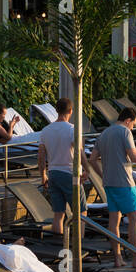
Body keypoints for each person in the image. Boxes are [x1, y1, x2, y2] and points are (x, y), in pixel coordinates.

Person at [87, 108, 136, 269]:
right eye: (133, 125)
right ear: (128, 120)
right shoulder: (125, 132)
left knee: (114, 220)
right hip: (124, 182)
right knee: (135, 218)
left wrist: (103, 175)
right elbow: (134, 158)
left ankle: (118, 258)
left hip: (109, 182)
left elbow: (92, 159)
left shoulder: (104, 133)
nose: (132, 128)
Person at [37, 97, 89, 237]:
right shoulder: (72, 129)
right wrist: (87, 170)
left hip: (53, 174)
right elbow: (79, 151)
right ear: (71, 111)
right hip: (70, 174)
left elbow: (41, 156)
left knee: (58, 214)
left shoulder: (45, 131)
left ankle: (59, 247)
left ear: (56, 110)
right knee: (80, 212)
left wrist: (43, 175)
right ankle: (80, 247)